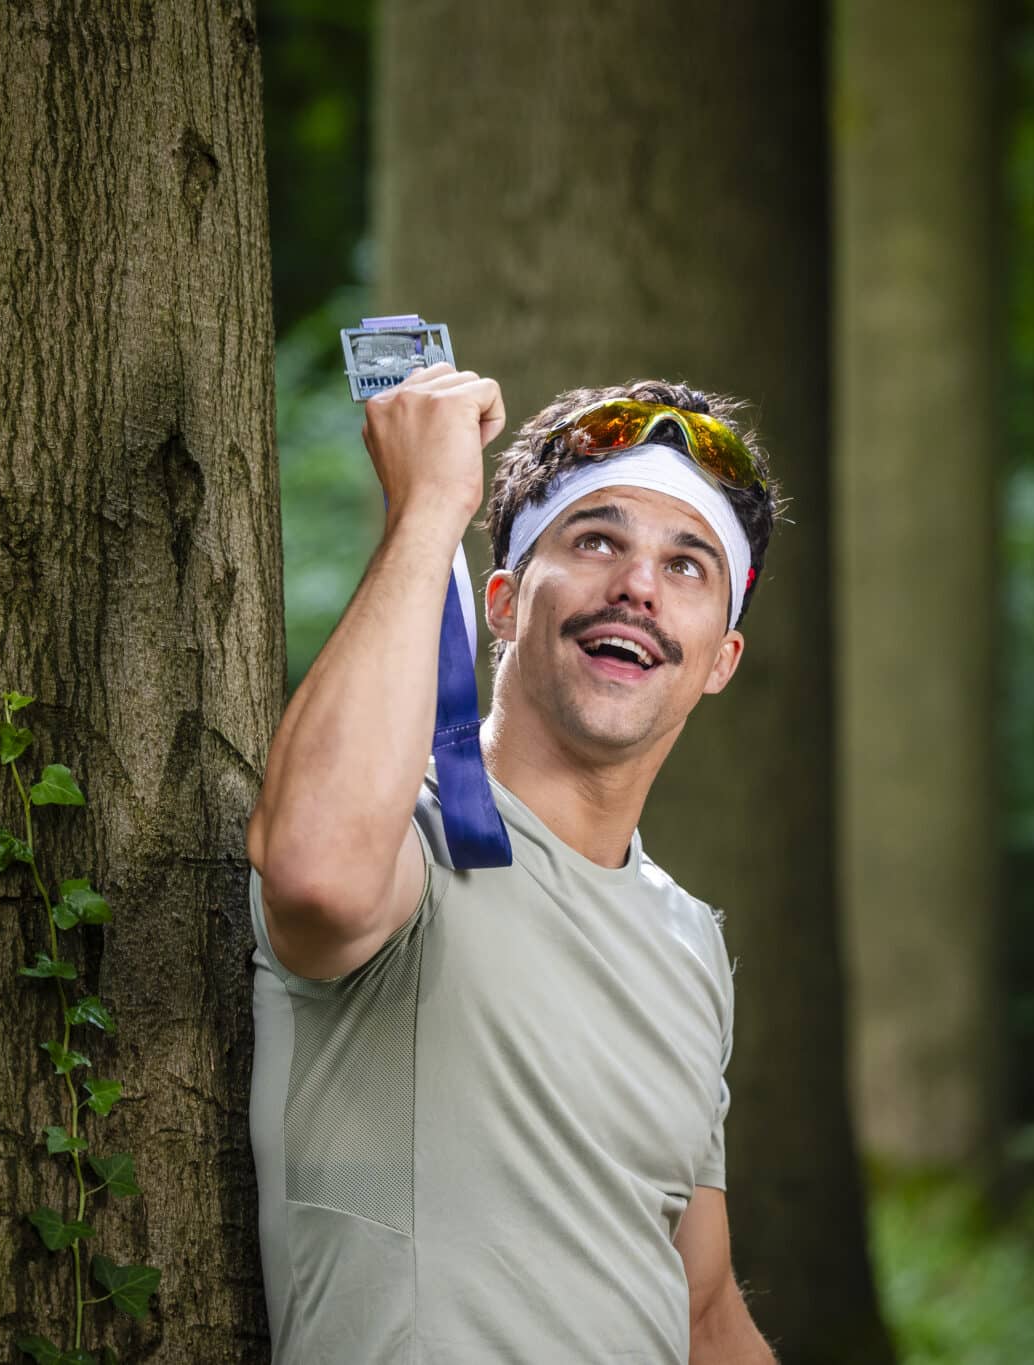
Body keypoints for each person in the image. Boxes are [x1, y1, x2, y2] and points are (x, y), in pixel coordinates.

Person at [244, 361, 783, 1362]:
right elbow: (314, 875)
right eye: (596, 540)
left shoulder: (688, 942)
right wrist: (429, 507)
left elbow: (704, 1312)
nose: (636, 586)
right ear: (501, 602)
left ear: (720, 659)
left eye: (686, 566)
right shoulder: (407, 840)